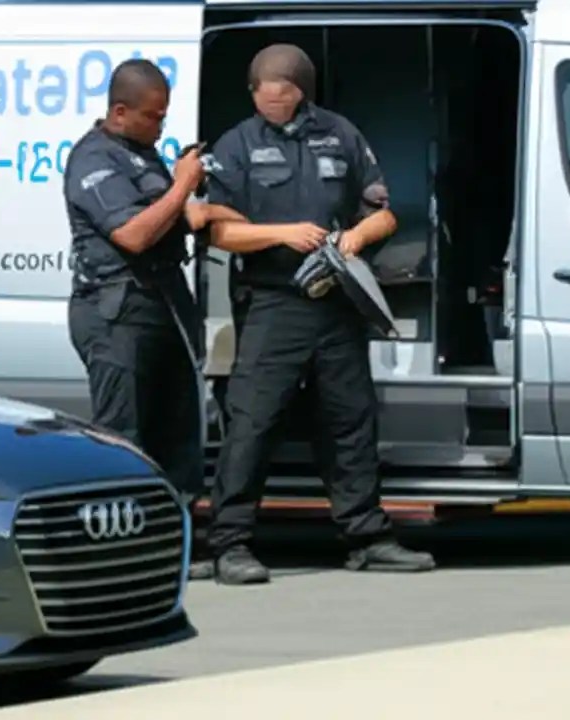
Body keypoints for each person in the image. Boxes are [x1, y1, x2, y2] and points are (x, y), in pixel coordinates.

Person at [201, 44, 437, 585]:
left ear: (300, 91)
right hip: (272, 303)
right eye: (263, 99)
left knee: (350, 419)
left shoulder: (341, 134)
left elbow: (384, 214)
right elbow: (221, 232)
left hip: (337, 301)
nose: (272, 107)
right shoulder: (237, 145)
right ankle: (230, 544)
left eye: (282, 98)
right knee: (252, 423)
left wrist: (352, 239)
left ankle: (366, 536)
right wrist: (284, 233)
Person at [61, 59, 242, 580]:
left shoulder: (143, 155)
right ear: (120, 111)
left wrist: (221, 212)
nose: (161, 126)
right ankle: (117, 556)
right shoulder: (92, 160)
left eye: (163, 117)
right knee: (123, 436)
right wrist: (183, 185)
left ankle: (173, 546)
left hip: (162, 304)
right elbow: (134, 235)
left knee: (176, 428)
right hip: (117, 310)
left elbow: (175, 216)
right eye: (153, 117)